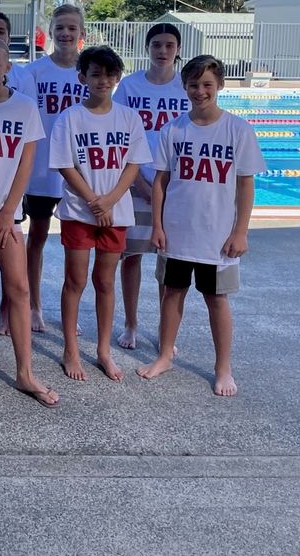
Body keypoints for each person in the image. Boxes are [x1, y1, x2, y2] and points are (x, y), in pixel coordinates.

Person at [138, 55, 264, 397]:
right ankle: (165, 355)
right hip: (178, 228)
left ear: (220, 86)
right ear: (184, 87)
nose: (200, 91)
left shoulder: (238, 129)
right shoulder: (174, 129)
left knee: (216, 298)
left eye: (207, 84)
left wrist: (241, 231)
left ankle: (223, 367)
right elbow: (161, 182)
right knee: (171, 293)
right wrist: (158, 226)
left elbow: (245, 184)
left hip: (218, 234)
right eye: (193, 85)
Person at [0, 39, 59, 407]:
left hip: (6, 207)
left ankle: (25, 371)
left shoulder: (24, 107)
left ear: (7, 69)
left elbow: (26, 163)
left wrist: (7, 211)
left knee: (18, 287)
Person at [50, 45, 151, 383]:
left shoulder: (129, 118)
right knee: (76, 281)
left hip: (116, 212)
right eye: (95, 74)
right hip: (80, 212)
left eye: (109, 74)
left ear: (118, 78)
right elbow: (65, 165)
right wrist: (95, 200)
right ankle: (71, 349)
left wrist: (110, 201)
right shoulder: (70, 118)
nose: (103, 80)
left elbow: (133, 164)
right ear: (83, 78)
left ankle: (103, 350)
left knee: (105, 282)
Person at [113, 23, 189, 349]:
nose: (162, 50)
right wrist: (140, 184)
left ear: (177, 49)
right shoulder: (130, 87)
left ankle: (164, 329)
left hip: (174, 187)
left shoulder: (186, 87)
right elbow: (119, 135)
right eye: (156, 44)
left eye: (169, 45)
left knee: (168, 261)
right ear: (148, 48)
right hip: (135, 182)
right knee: (131, 256)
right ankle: (130, 323)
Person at [15, 4, 88, 332]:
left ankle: (70, 311)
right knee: (38, 237)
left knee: (78, 244)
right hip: (41, 169)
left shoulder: (89, 73)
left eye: (72, 28)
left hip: (78, 170)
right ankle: (33, 305)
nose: (66, 33)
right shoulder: (34, 72)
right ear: (52, 32)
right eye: (60, 27)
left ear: (81, 34)